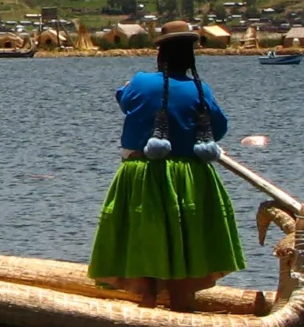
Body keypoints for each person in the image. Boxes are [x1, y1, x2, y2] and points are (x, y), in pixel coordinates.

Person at [88, 20, 247, 310]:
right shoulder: (200, 90)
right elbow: (219, 128)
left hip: (143, 172)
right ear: (190, 56)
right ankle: (181, 302)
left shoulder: (140, 82)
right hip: (190, 175)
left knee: (147, 232)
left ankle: (148, 300)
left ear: (160, 54)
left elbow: (124, 99)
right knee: (186, 237)